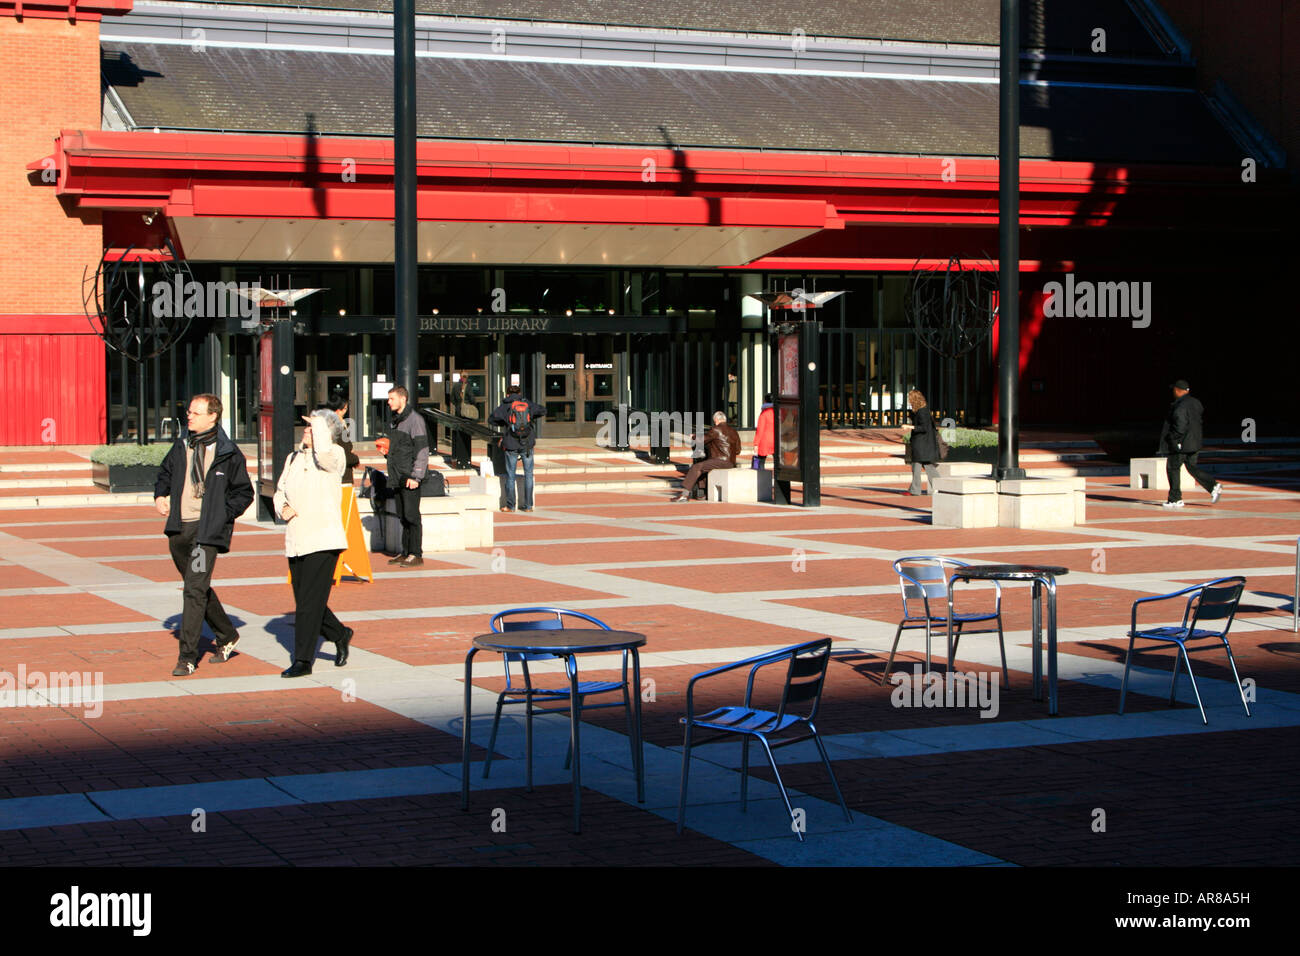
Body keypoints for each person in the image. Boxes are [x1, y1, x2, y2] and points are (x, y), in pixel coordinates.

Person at [153, 393, 254, 676]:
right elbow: (164, 473)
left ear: (213, 416)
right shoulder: (182, 445)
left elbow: (244, 493)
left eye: (196, 413)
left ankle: (187, 656)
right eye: (189, 412)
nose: (189, 416)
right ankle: (226, 634)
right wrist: (160, 495)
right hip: (178, 529)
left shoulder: (228, 453)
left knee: (193, 591)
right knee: (196, 587)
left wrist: (221, 514)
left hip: (205, 533)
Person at [274, 410, 354, 677]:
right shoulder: (293, 457)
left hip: (323, 539)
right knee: (307, 601)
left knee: (308, 605)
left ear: (325, 432)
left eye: (312, 428)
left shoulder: (334, 457)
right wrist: (282, 506)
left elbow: (324, 452)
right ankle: (340, 633)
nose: (306, 431)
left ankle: (303, 661)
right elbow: (280, 489)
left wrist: (320, 422)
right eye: (306, 428)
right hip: (297, 538)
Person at [384, 385, 429, 567]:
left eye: (391, 399)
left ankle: (416, 554)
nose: (388, 402)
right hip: (397, 475)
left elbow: (422, 449)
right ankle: (405, 552)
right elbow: (401, 448)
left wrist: (416, 476)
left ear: (403, 399)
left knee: (412, 516)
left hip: (409, 476)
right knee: (402, 516)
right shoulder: (396, 420)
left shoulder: (415, 420)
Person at [1159, 379, 1221, 508]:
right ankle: (1213, 485)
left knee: (1173, 468)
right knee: (1192, 467)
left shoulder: (1180, 405)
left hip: (1181, 444)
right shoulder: (1196, 402)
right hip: (1194, 442)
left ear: (1177, 390)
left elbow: (1180, 425)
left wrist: (1173, 439)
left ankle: (1175, 498)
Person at [488, 384, 546, 512]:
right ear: (519, 393)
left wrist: (506, 423)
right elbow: (543, 410)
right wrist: (530, 418)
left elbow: (491, 419)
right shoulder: (527, 403)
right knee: (529, 474)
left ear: (507, 394)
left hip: (511, 443)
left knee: (510, 475)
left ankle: (510, 506)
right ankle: (528, 506)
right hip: (527, 443)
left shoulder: (505, 405)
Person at [673, 411, 740, 502]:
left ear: (716, 420)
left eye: (714, 421)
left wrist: (694, 436)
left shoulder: (716, 429)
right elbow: (738, 450)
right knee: (704, 467)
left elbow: (702, 439)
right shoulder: (734, 431)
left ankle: (684, 495)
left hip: (720, 461)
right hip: (731, 462)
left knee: (696, 467)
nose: (714, 423)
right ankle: (704, 494)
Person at [903, 389, 940, 496]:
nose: (909, 401)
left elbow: (923, 427)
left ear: (914, 399)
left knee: (917, 466)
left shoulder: (922, 411)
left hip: (921, 444)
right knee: (927, 467)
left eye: (910, 399)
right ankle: (941, 486)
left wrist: (910, 426)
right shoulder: (923, 410)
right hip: (924, 444)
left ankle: (915, 490)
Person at [325, 395, 361, 486]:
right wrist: (355, 459)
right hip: (342, 478)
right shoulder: (337, 429)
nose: (345, 412)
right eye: (344, 409)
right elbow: (345, 455)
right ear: (337, 410)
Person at [752, 393, 774, 469]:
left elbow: (760, 430)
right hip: (777, 440)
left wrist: (756, 444)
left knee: (761, 462)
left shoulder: (764, 413)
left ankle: (762, 478)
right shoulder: (778, 412)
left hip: (765, 441)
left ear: (765, 401)